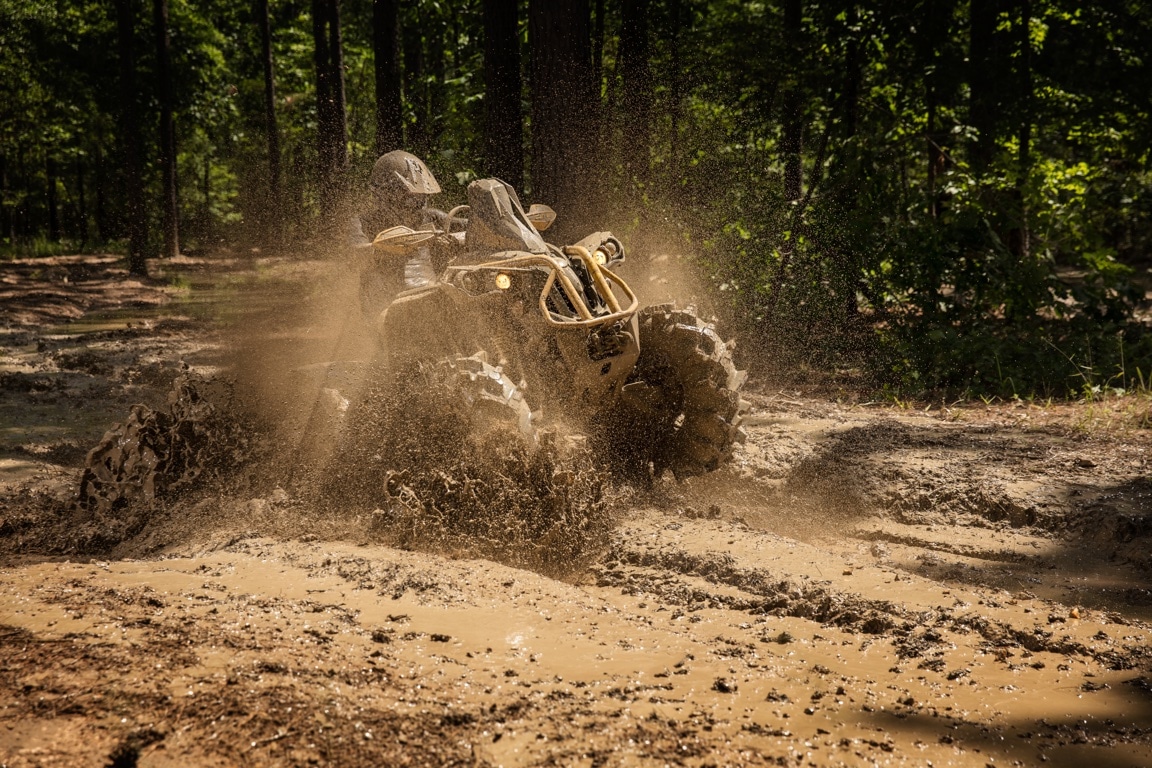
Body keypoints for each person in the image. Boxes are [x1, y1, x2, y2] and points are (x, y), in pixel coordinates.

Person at [348, 150, 451, 319]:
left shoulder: (433, 216)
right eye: (408, 197)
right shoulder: (363, 222)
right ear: (386, 194)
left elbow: (465, 225)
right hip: (384, 302)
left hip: (428, 292)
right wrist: (381, 248)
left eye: (419, 197)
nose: (416, 204)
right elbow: (356, 251)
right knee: (387, 322)